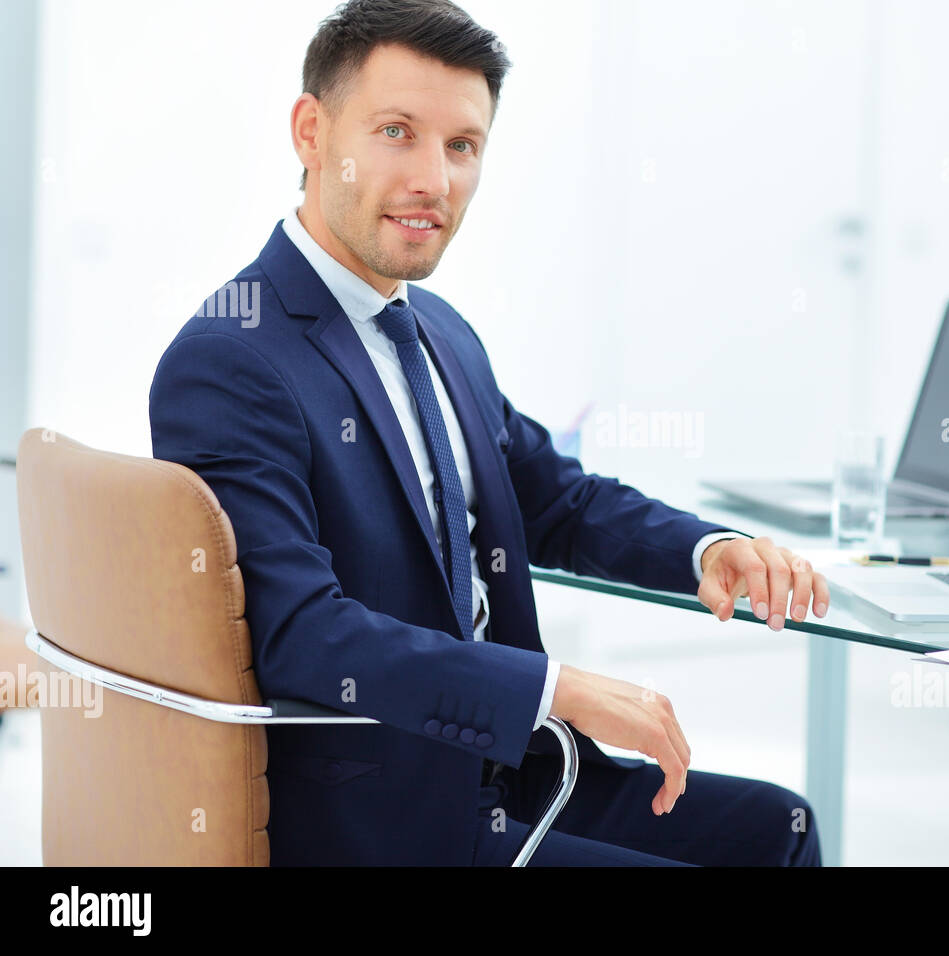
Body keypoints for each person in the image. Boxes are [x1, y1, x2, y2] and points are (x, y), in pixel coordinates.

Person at [149, 0, 830, 866]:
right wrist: (558, 689)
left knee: (780, 828)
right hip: (390, 814)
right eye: (397, 131)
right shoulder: (232, 359)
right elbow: (303, 636)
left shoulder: (435, 329)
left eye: (462, 145)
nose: (435, 178)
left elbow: (560, 502)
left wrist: (708, 551)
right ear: (311, 132)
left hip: (513, 771)